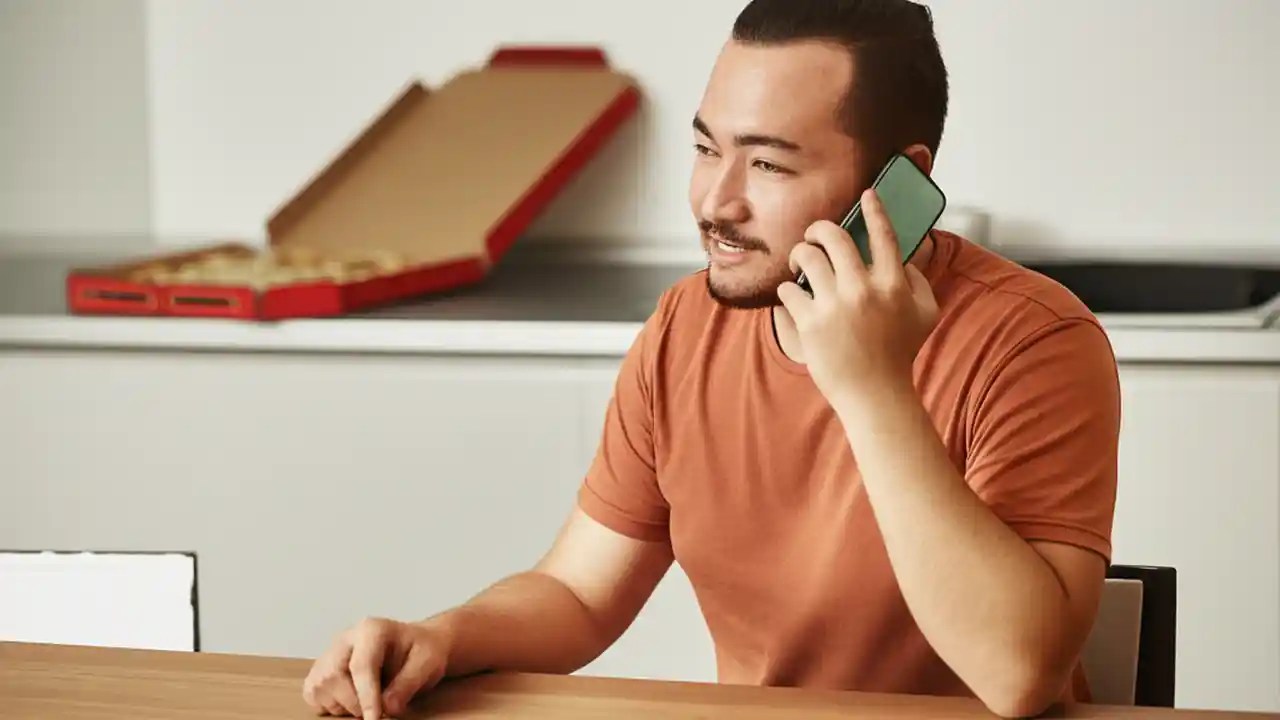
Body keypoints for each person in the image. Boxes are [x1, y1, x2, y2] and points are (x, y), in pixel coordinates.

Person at [302, 1, 1121, 718]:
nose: (714, 201)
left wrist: (872, 391)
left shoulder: (1034, 341)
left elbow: (1018, 676)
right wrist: (441, 637)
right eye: (706, 148)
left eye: (767, 162)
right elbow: (580, 594)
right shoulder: (685, 327)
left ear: (897, 182)